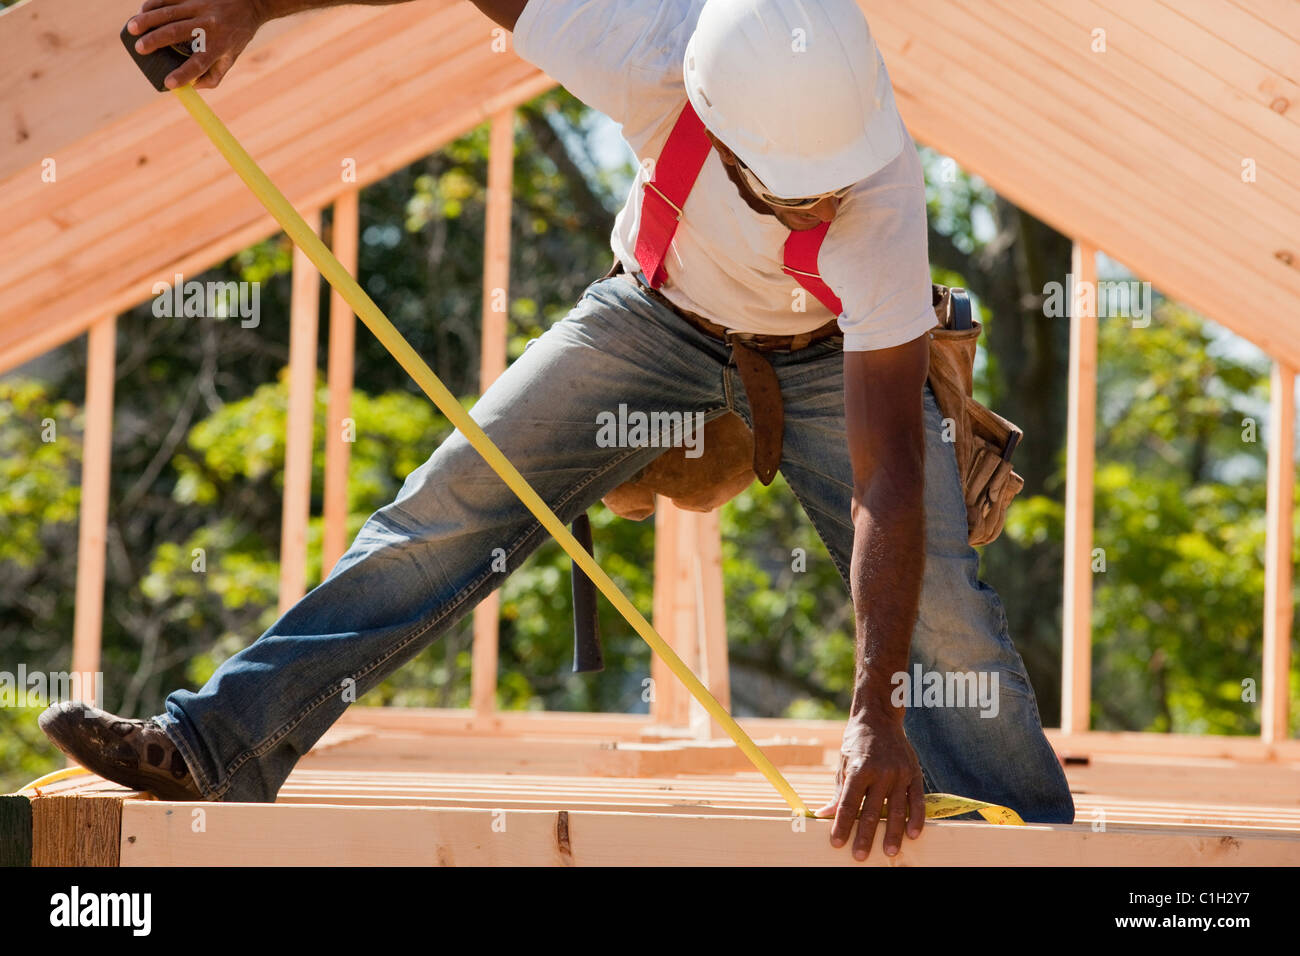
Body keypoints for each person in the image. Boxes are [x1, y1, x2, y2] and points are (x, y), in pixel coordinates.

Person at [41, 0, 1074, 862]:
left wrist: (873, 717)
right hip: (653, 316)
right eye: (785, 194)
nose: (815, 212)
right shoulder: (638, 45)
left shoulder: (876, 190)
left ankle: (1034, 844)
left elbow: (886, 474)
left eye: (827, 194)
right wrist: (246, 9)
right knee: (451, 506)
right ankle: (212, 745)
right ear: (707, 119)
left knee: (941, 603)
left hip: (818, 356)